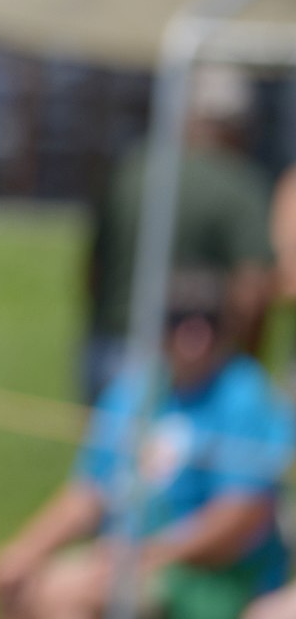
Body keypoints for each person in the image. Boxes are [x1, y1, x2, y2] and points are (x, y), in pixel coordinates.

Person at [0, 270, 295, 619]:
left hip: (207, 575)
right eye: (178, 319)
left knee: (63, 595)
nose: (194, 335)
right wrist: (26, 551)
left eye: (208, 321)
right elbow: (90, 491)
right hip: (129, 555)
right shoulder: (137, 388)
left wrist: (148, 553)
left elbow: (242, 514)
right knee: (21, 585)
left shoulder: (243, 394)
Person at [82, 64, 274, 403]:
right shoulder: (240, 186)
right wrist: (245, 362)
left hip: (108, 347)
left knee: (112, 454)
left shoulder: (130, 171)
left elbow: (91, 271)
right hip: (191, 364)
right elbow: (253, 290)